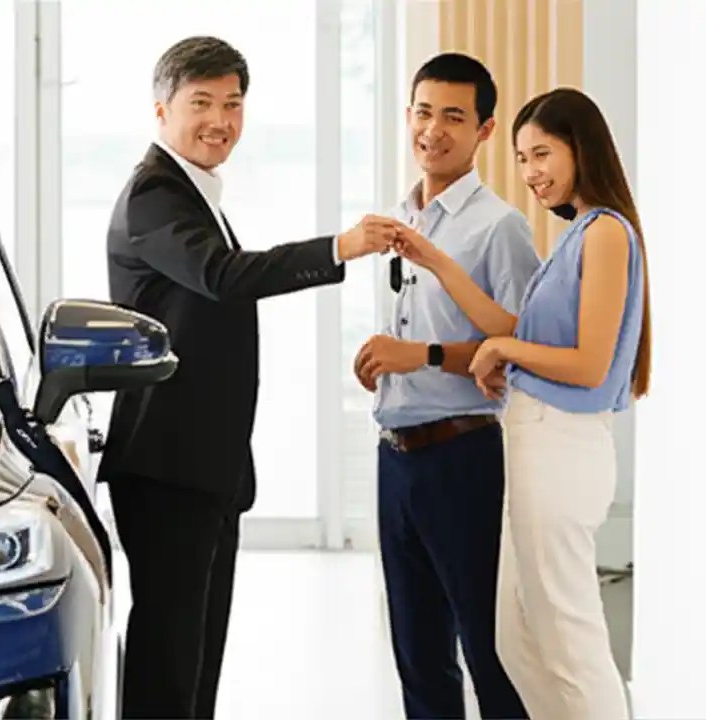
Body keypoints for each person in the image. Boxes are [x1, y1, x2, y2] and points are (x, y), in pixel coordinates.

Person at [100, 35, 397, 719]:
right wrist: (339, 247)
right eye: (201, 102)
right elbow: (222, 278)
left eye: (233, 104)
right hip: (167, 465)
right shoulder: (154, 194)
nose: (220, 121)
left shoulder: (193, 192)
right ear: (160, 109)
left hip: (203, 465)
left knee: (199, 651)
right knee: (170, 658)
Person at [394, 86, 649, 720]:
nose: (531, 174)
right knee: (517, 637)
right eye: (521, 159)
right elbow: (514, 325)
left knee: (569, 637)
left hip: (563, 447)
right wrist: (434, 259)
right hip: (536, 445)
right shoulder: (578, 236)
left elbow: (590, 365)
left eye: (542, 155)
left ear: (580, 148)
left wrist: (504, 348)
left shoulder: (607, 234)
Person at [352, 52, 539, 719]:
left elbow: (519, 347)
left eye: (453, 117)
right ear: (408, 116)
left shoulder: (500, 228)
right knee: (417, 654)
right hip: (395, 457)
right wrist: (383, 360)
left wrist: (420, 354)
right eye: (424, 113)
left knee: (488, 651)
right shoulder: (400, 220)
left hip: (463, 457)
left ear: (485, 131)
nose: (433, 130)